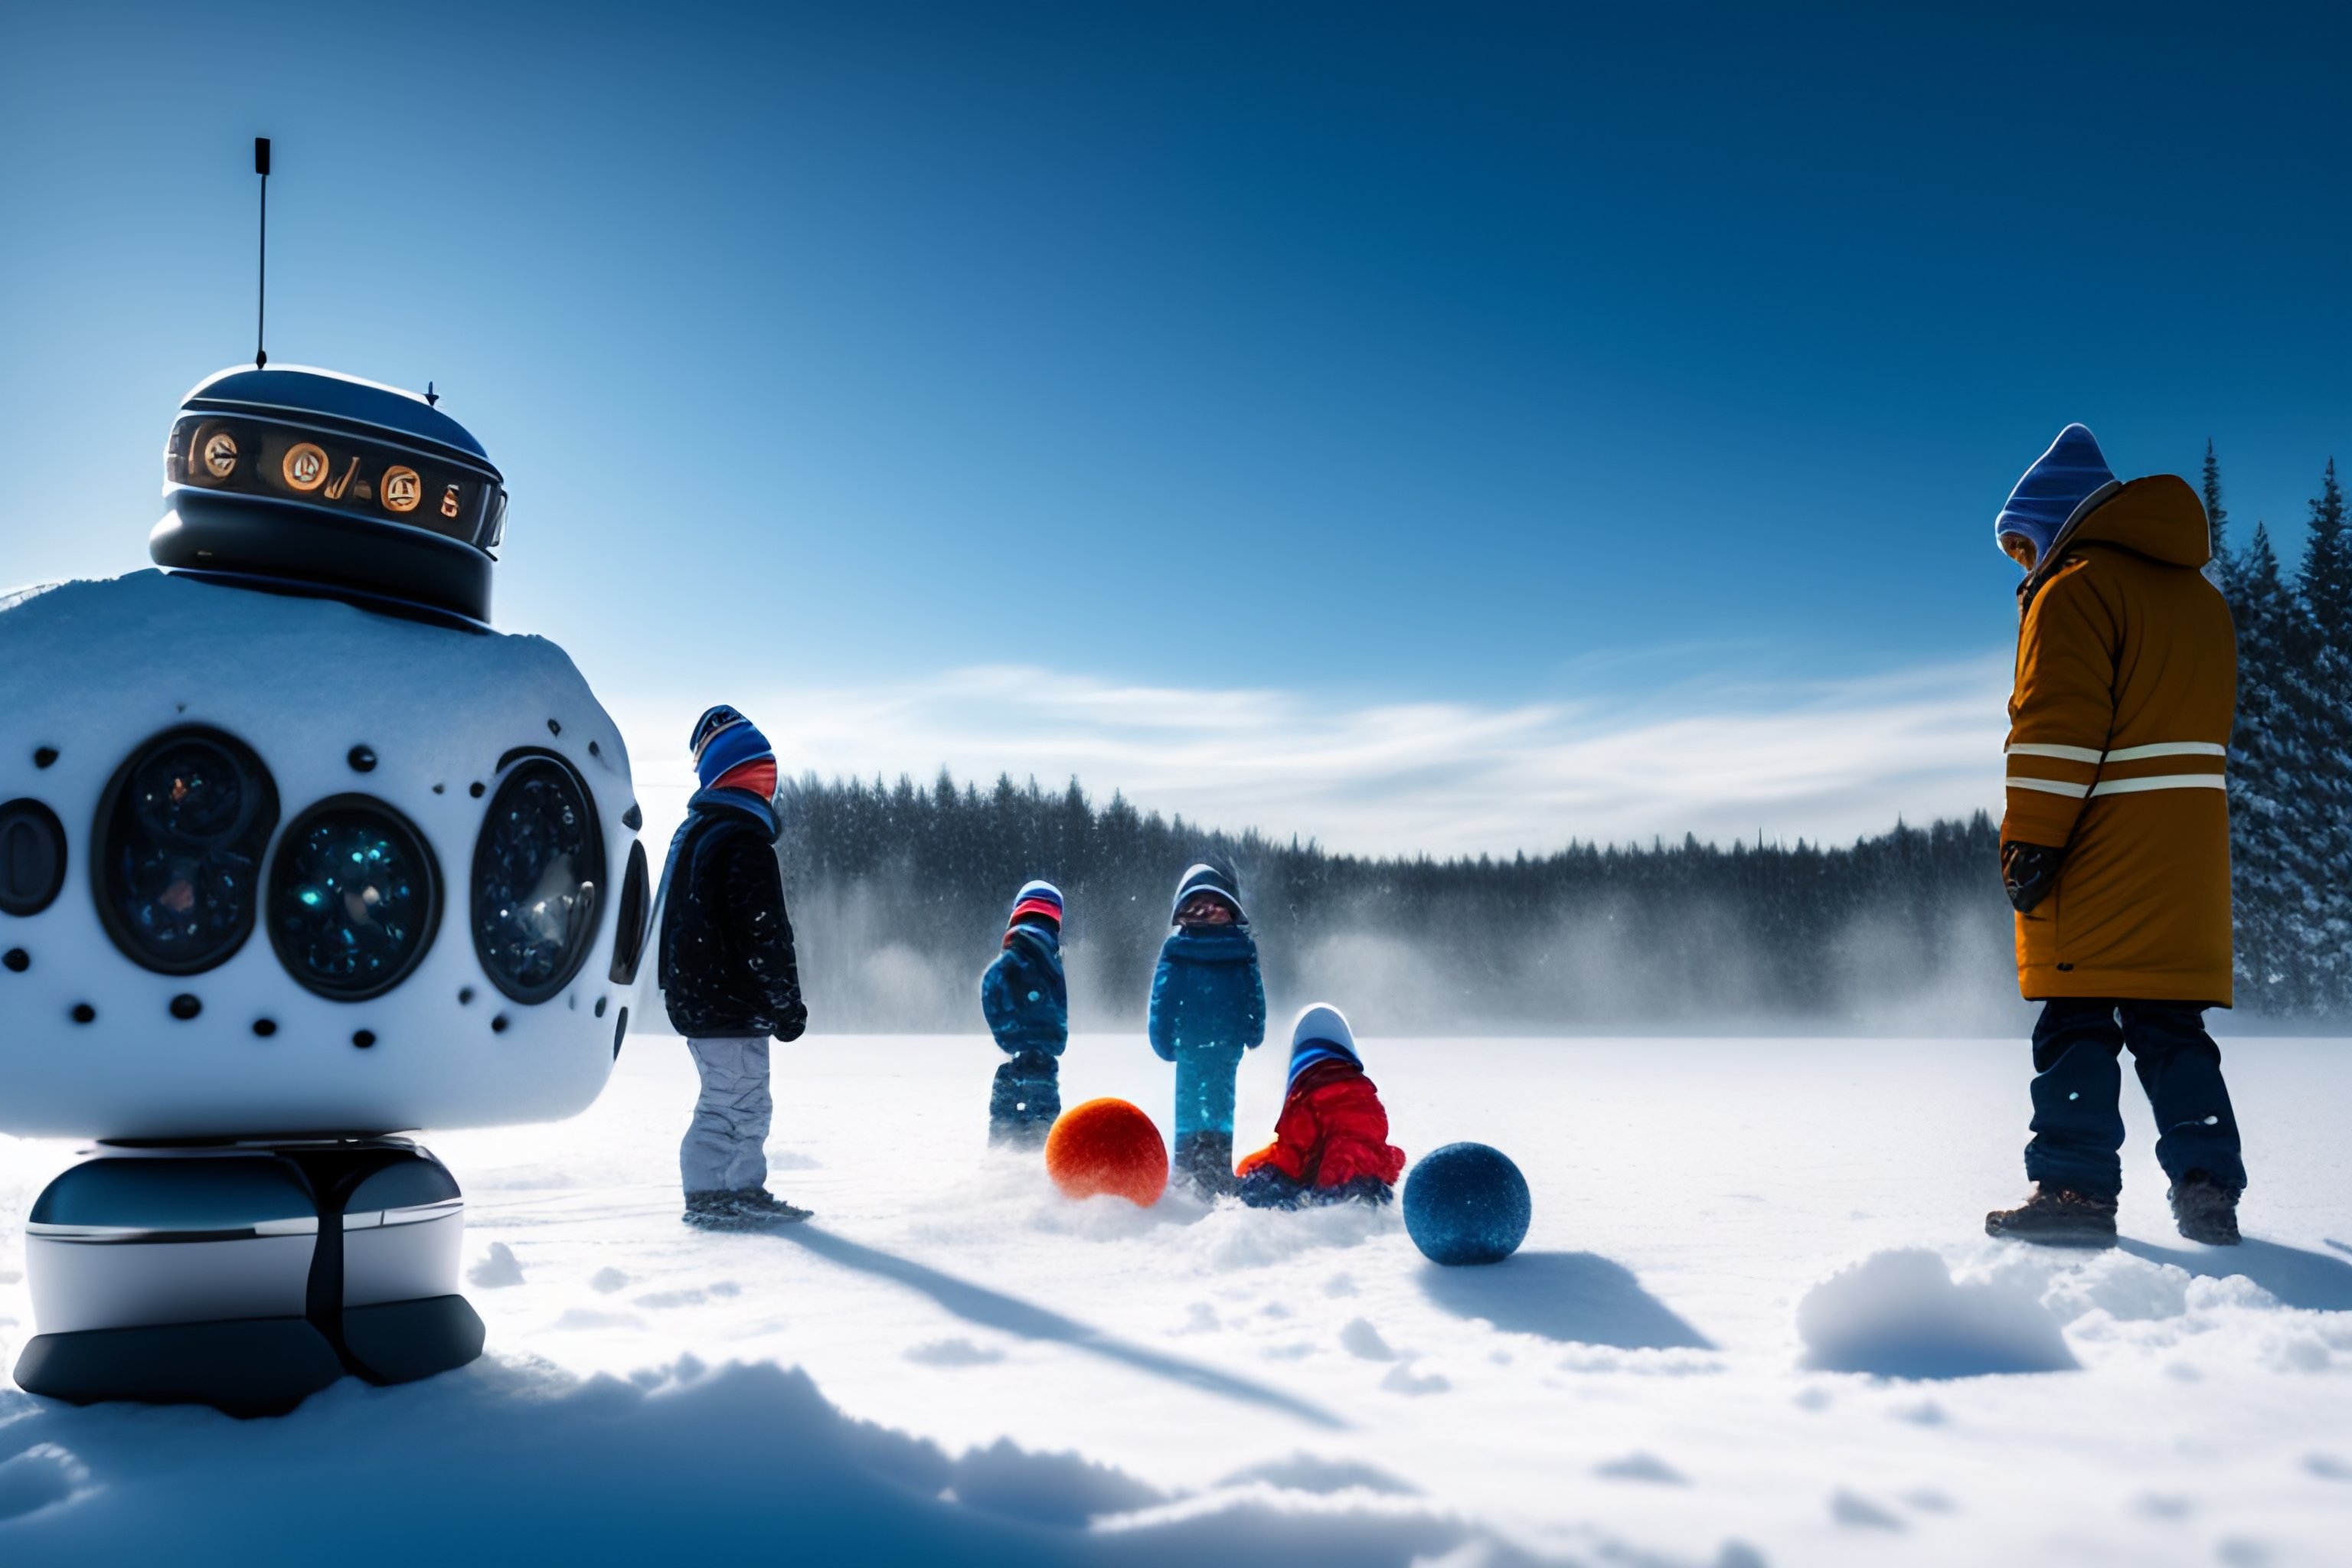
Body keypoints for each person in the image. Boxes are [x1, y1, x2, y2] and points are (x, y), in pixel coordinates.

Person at [1981, 425, 2245, 1250]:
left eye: (2026, 544)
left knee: (2077, 1022)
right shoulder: (2199, 598)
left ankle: (2074, 1188)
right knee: (2171, 1025)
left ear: (2057, 520)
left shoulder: (2077, 588)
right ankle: (2208, 1184)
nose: (2026, 565)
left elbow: (2055, 730)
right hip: (2188, 856)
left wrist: (2031, 843)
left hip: (2101, 849)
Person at [658, 704, 811, 1230]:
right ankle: (708, 1195)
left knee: (747, 1101)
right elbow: (764, 931)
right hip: (725, 997)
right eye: (760, 775)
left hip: (711, 995)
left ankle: (742, 1188)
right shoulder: (739, 841)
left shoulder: (703, 834)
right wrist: (785, 1003)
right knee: (730, 1101)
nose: (767, 787)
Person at [1146, 863, 1266, 1198]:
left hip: (1192, 1044)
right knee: (1219, 1104)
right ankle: (1213, 1169)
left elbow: (1163, 998)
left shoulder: (1178, 948)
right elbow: (1252, 993)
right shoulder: (1241, 947)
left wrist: (1163, 1038)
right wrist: (1253, 1029)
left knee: (1190, 1106)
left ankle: (1188, 1170)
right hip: (1225, 1043)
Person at [1236, 1004, 1405, 1209]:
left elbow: (1295, 1148)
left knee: (1276, 1180)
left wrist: (1258, 1169)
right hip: (1362, 1178)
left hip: (1333, 1185)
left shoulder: (1306, 1099)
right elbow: (1375, 1144)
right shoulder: (1367, 1096)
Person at [982, 879, 1068, 1147]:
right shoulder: (1044, 957)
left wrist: (1005, 1033)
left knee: (1005, 1117)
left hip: (1021, 1054)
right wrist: (1055, 1040)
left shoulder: (1020, 951)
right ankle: (1036, 1167)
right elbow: (1058, 1007)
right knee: (1042, 1119)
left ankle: (1005, 1165)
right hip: (1042, 1058)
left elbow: (989, 987)